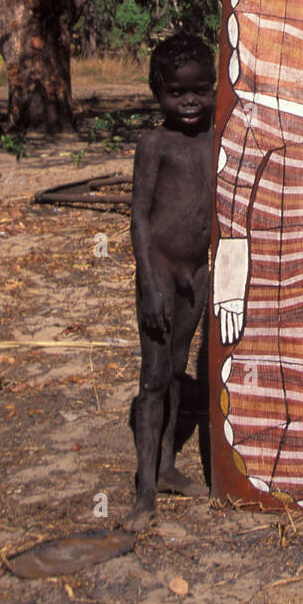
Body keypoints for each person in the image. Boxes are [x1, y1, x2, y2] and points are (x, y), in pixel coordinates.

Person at [123, 32, 216, 532]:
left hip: (196, 274)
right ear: (157, 90)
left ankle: (168, 468)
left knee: (178, 371)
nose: (190, 102)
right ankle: (144, 493)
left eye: (201, 90)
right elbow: (139, 219)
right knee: (154, 379)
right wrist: (150, 286)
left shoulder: (215, 140)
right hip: (159, 273)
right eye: (178, 92)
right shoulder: (154, 144)